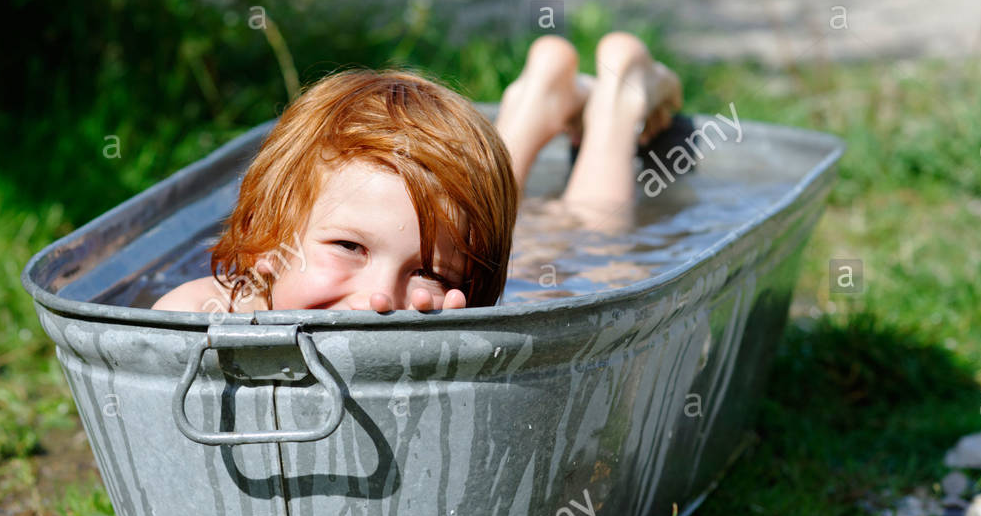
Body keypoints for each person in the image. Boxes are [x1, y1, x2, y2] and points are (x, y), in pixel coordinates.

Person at [151, 32, 681, 315]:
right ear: (265, 241)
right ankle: (541, 102)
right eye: (349, 247)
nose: (381, 298)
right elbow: (174, 323)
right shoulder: (226, 308)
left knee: (590, 259)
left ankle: (616, 105)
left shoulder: (446, 310)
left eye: (431, 273)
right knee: (463, 216)